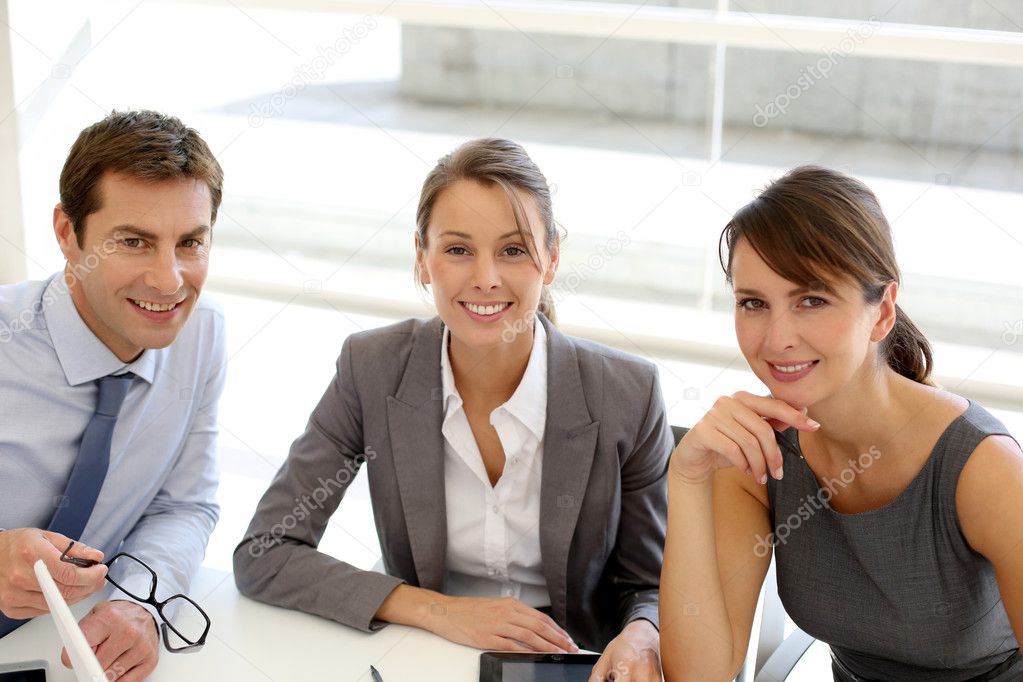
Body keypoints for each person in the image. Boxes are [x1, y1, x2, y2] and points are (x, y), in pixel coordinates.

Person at [234, 138, 671, 680]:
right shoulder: (371, 369)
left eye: (513, 250)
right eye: (458, 250)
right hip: (424, 652)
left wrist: (640, 634)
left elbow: (650, 586)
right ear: (422, 257)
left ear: (553, 256)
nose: (485, 278)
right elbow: (264, 552)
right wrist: (438, 610)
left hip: (569, 662)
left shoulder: (627, 393)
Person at [659, 165, 1023, 681]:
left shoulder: (983, 469)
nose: (777, 338)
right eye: (753, 304)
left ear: (881, 312)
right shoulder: (758, 451)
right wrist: (689, 477)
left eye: (812, 300)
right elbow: (700, 677)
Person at [0, 110, 227, 681]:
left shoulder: (200, 334)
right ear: (67, 234)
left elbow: (183, 505)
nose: (169, 280)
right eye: (134, 241)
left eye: (191, 243)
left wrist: (137, 600)